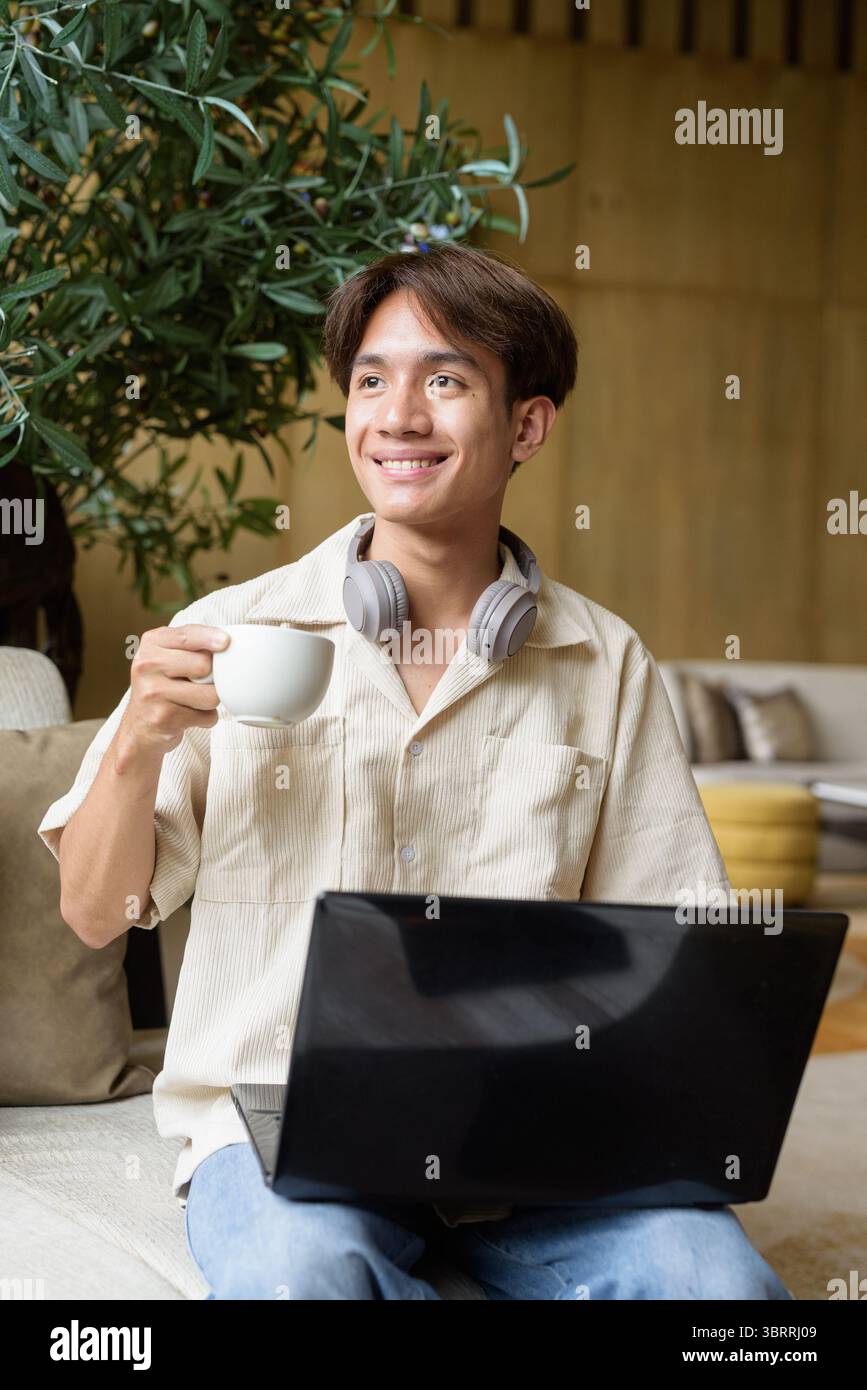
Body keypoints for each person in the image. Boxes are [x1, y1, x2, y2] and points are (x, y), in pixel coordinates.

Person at [38, 243, 792, 1300]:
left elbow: (674, 939)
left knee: (724, 1291)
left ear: (527, 424)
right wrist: (135, 744)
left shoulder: (604, 660)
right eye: (370, 381)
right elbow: (91, 910)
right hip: (279, 1130)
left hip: (536, 1141)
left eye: (444, 379)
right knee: (302, 1279)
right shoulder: (229, 633)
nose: (397, 416)